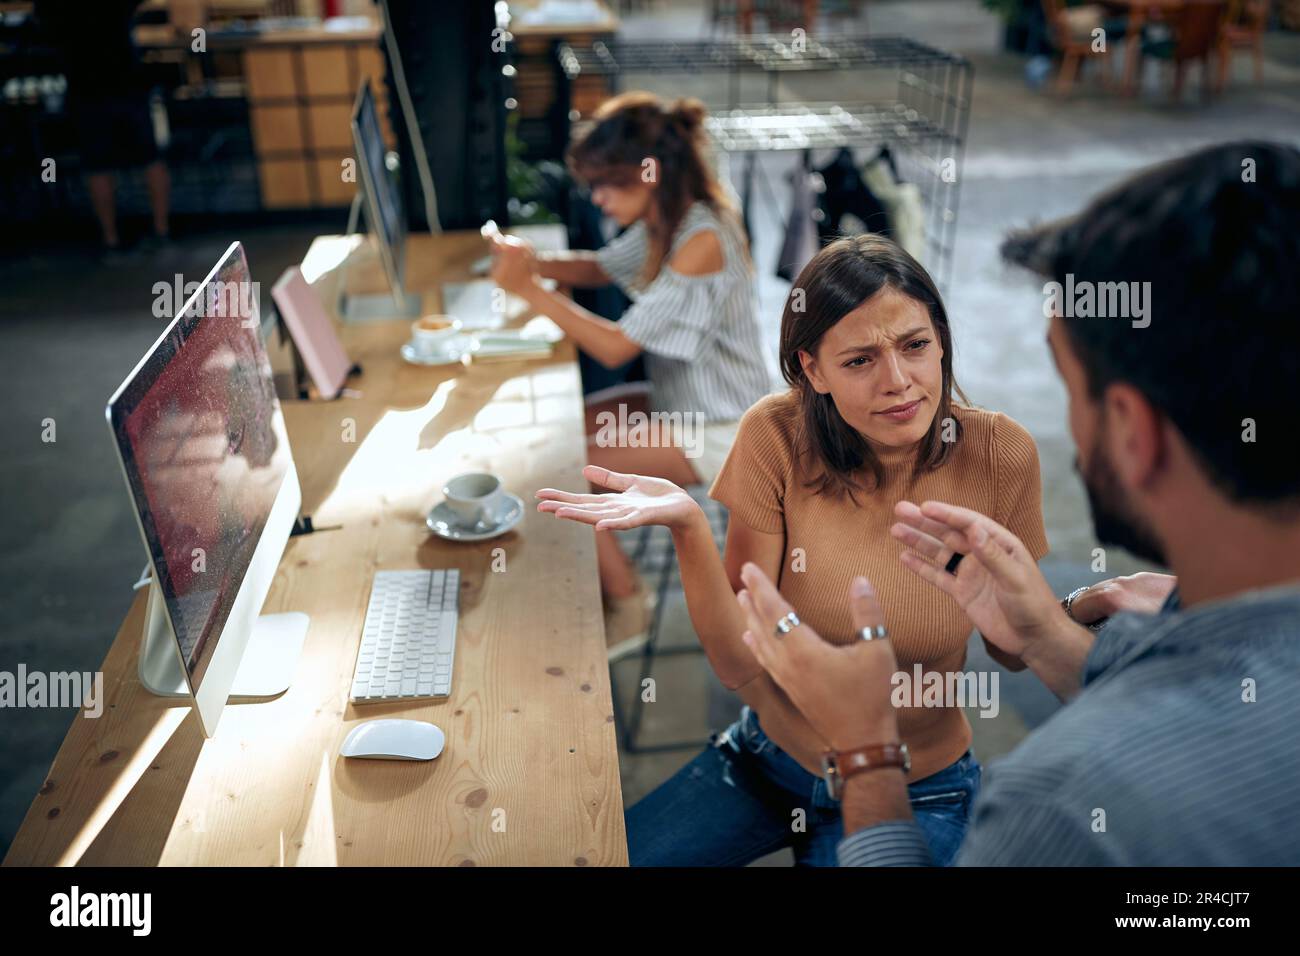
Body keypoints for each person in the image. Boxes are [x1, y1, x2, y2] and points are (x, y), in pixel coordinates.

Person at [737, 140, 1300, 866]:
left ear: (1132, 431)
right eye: (860, 360)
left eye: (1071, 388)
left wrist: (870, 758)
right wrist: (1051, 639)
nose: (898, 382)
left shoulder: (1063, 806)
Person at [537, 233, 1050, 865]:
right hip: (767, 760)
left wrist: (1068, 616)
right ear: (813, 370)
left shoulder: (1001, 452)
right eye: (859, 360)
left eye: (915, 345)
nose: (899, 382)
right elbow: (739, 666)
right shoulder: (774, 435)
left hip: (920, 788)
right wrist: (691, 526)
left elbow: (1014, 647)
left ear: (940, 339)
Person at [489, 92, 769, 655]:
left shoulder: (702, 238)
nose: (597, 198)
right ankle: (599, 574)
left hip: (724, 428)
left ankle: (627, 600)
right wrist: (533, 263)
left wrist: (527, 289)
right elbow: (600, 267)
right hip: (680, 399)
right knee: (557, 433)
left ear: (650, 175)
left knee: (569, 465)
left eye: (607, 185)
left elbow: (616, 348)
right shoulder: (670, 216)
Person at [35, 0, 172, 255]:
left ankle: (111, 239)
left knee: (98, 165)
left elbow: (42, 26)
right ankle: (161, 231)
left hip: (85, 87)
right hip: (125, 81)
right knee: (150, 158)